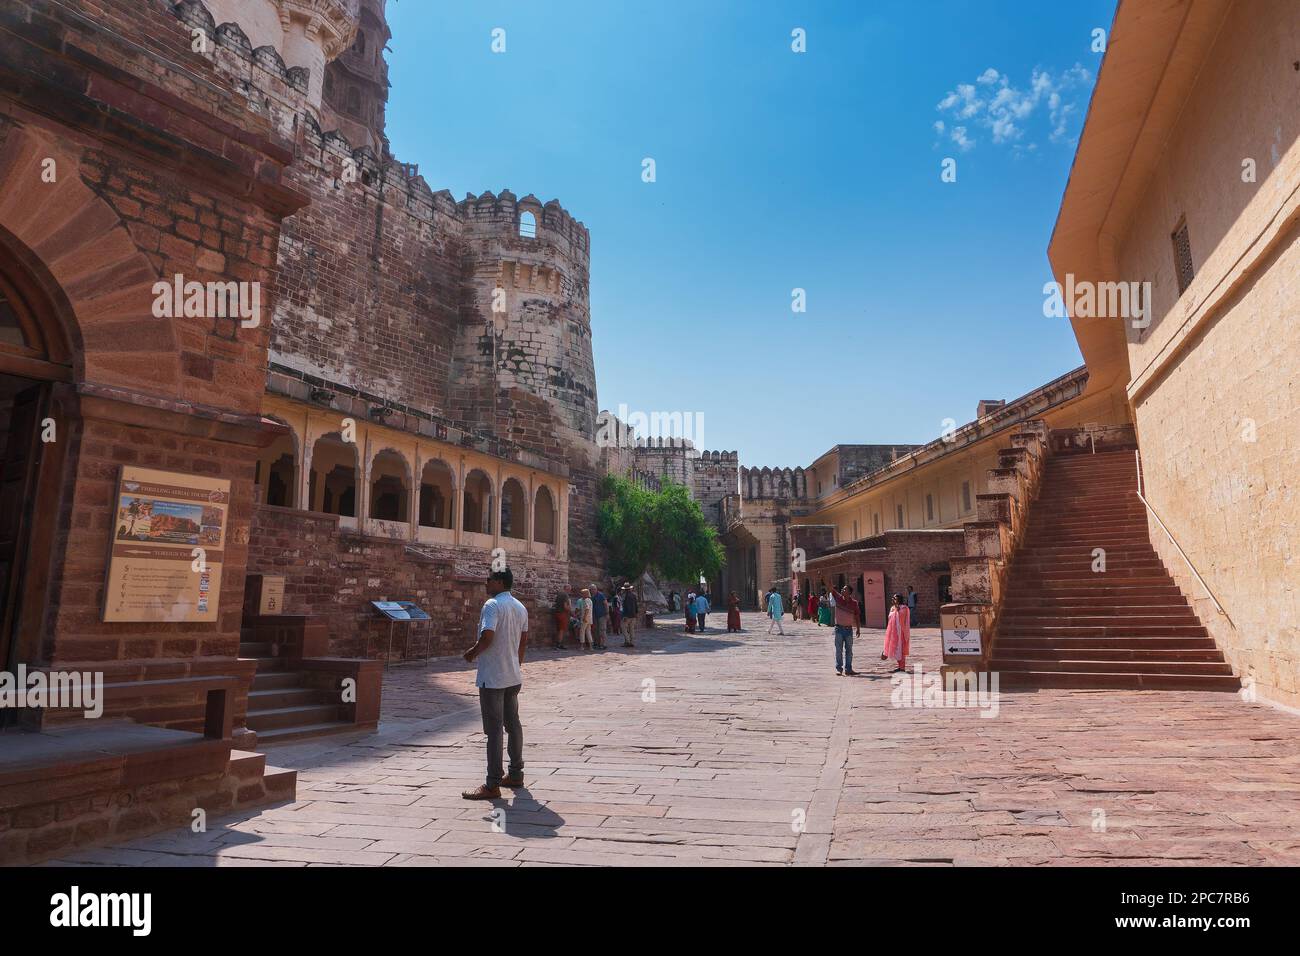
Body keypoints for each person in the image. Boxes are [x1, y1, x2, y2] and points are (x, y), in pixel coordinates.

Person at [462, 567, 528, 800]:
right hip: (512, 675)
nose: (486, 583)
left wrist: (472, 652)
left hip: (493, 677)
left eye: (488, 579)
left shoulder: (492, 606)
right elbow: (523, 641)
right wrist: (515, 665)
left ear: (499, 582)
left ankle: (492, 783)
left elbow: (487, 636)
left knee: (494, 730)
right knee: (513, 725)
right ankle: (516, 773)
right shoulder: (520, 607)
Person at [832, 584, 860, 675]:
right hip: (839, 629)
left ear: (849, 592)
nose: (842, 590)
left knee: (849, 650)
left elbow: (857, 616)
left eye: (844, 589)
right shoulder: (838, 598)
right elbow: (830, 588)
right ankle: (839, 669)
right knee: (838, 650)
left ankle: (848, 669)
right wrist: (824, 577)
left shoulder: (854, 603)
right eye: (842, 588)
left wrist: (858, 629)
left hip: (849, 630)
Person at [883, 592, 911, 672]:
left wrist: (897, 609)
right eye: (893, 598)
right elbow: (890, 618)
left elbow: (902, 617)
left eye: (895, 598)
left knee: (901, 649)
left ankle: (902, 667)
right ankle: (899, 666)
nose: (894, 599)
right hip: (893, 632)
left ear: (899, 599)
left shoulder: (904, 608)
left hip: (901, 632)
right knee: (895, 649)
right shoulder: (892, 608)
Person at [620, 582, 639, 647]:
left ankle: (627, 641)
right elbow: (636, 606)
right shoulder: (633, 595)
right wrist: (636, 613)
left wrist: (625, 615)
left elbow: (626, 606)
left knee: (623, 628)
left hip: (627, 615)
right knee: (631, 629)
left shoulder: (625, 596)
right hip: (633, 615)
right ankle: (632, 641)